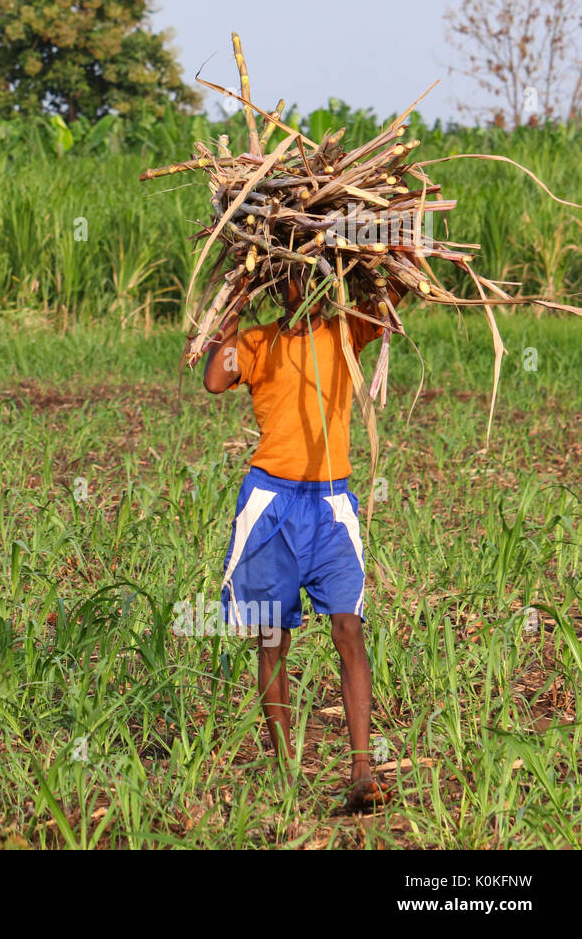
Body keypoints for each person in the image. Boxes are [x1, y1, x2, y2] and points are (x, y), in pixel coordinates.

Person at [202, 270, 402, 811]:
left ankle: (362, 770)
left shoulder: (343, 333)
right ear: (277, 281)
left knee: (349, 629)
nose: (305, 285)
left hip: (332, 506)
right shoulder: (258, 342)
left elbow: (392, 302)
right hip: (271, 505)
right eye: (294, 276)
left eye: (314, 274)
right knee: (273, 639)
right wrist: (233, 305)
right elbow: (216, 380)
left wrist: (398, 247)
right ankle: (286, 771)